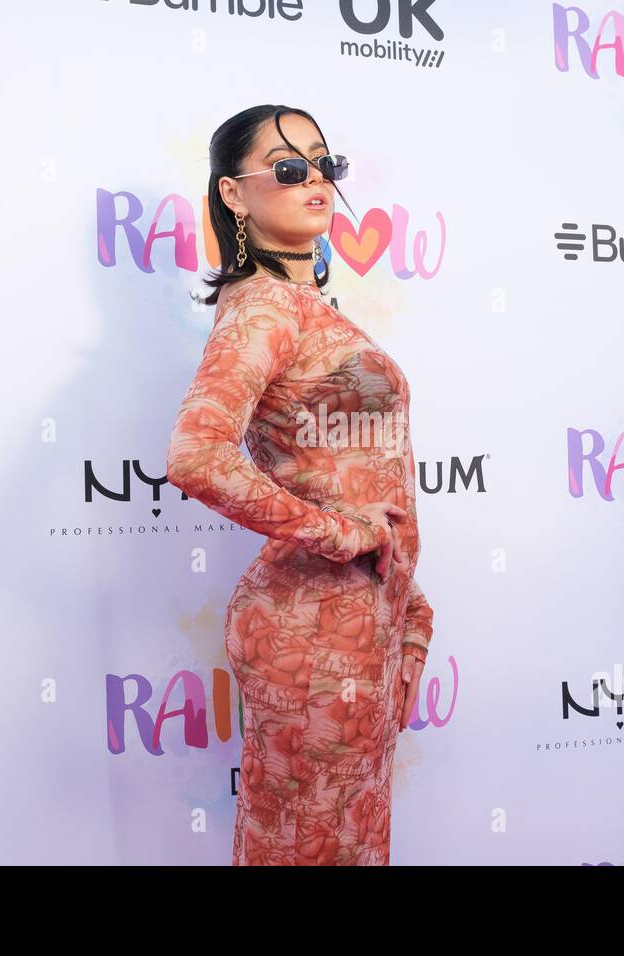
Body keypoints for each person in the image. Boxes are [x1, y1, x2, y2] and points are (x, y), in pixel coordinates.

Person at [165, 105, 434, 865]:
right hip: (310, 632)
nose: (314, 178)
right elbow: (196, 454)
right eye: (287, 167)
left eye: (324, 163)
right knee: (307, 847)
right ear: (235, 195)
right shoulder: (262, 309)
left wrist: (407, 605)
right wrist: (338, 530)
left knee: (345, 841)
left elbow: (370, 469)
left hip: (362, 619)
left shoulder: (309, 308)